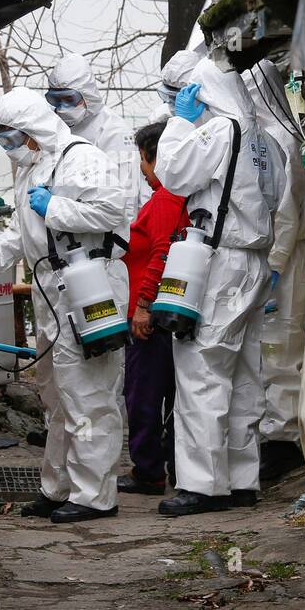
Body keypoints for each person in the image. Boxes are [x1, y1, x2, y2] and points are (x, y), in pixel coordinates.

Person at [0, 89, 128, 524]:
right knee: (56, 395)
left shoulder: (82, 159)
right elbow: (21, 228)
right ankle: (57, 488)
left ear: (34, 132)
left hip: (89, 284)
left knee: (89, 393)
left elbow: (113, 212)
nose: (8, 147)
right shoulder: (32, 166)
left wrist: (55, 207)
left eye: (11, 138)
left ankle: (95, 497)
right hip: (51, 289)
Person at [153, 58, 286, 516]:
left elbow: (171, 174)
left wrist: (178, 123)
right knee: (245, 372)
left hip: (220, 259)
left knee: (202, 368)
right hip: (255, 261)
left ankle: (203, 486)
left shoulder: (219, 131)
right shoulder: (265, 141)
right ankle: (242, 479)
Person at [247, 60, 305, 481]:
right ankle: (275, 433)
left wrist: (272, 266)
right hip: (280, 254)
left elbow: (287, 213)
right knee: (271, 349)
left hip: (287, 257)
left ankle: (285, 439)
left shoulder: (279, 141)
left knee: (282, 349)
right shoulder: (273, 136)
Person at [119, 121, 189, 495]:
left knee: (143, 395)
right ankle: (171, 469)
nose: (143, 173)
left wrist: (143, 305)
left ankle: (149, 472)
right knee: (172, 396)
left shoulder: (165, 200)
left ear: (156, 158)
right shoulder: (179, 197)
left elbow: (162, 252)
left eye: (143, 163)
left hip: (153, 316)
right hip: (169, 311)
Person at [46, 52, 142, 227]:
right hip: (63, 222)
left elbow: (126, 199)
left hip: (102, 234)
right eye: (56, 100)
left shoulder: (114, 131)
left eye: (69, 99)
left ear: (87, 95)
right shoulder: (57, 128)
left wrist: (120, 244)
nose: (62, 108)